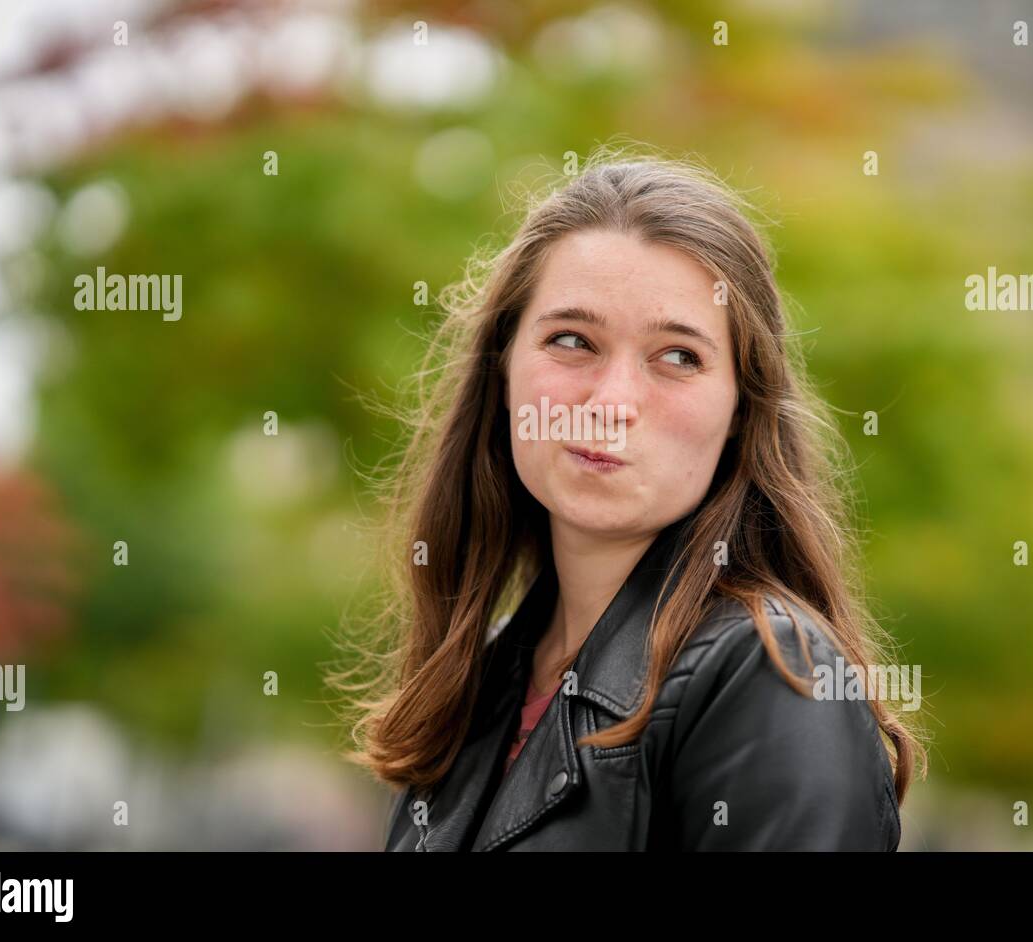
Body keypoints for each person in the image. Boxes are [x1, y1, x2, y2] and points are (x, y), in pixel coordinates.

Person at [339, 147, 926, 850]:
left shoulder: (771, 674)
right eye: (572, 340)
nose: (611, 403)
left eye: (679, 356)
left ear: (742, 409)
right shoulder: (478, 680)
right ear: (503, 371)